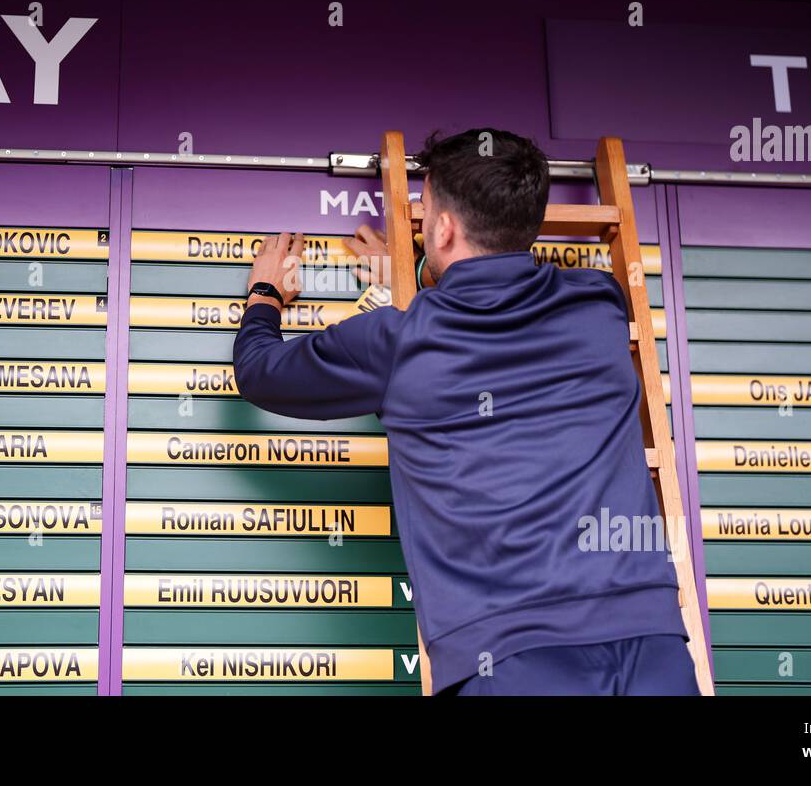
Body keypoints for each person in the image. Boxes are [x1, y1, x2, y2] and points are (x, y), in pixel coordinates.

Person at [232, 128, 699, 696]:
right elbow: (495, 316)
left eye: (425, 211)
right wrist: (429, 277)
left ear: (445, 228)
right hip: (651, 643)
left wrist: (265, 293)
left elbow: (261, 371)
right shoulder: (598, 306)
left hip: (506, 660)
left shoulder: (396, 342)